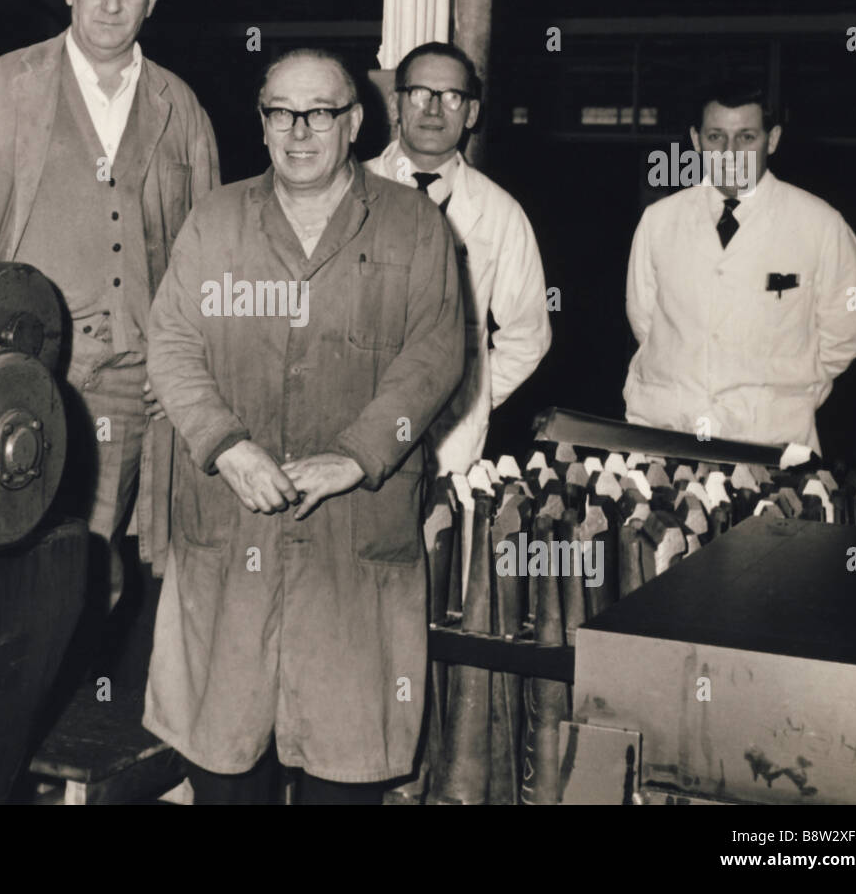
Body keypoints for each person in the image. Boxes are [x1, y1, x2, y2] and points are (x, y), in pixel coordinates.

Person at [143, 48, 463, 804]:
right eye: (280, 112)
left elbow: (438, 355)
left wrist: (360, 454)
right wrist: (223, 442)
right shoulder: (216, 219)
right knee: (225, 763)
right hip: (231, 527)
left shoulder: (414, 226)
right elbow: (172, 343)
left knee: (344, 769)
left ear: (353, 122)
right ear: (260, 123)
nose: (299, 130)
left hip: (353, 537)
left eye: (319, 112)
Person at [0, 0, 219, 628]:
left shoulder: (180, 108)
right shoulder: (4, 88)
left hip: (126, 374)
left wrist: (179, 361)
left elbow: (210, 254)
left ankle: (64, 700)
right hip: (18, 366)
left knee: (92, 562)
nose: (111, 4)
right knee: (5, 548)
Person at [624, 81, 856, 453]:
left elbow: (848, 330)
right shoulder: (659, 221)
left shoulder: (821, 225)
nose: (730, 153)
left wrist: (786, 389)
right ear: (696, 141)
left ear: (771, 140)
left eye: (746, 137)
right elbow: (645, 321)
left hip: (771, 438)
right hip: (665, 431)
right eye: (716, 137)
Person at [365, 41, 550, 473]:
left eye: (451, 97)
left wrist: (470, 397)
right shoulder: (350, 190)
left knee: (442, 537)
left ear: (471, 113)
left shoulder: (501, 212)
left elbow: (528, 334)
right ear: (396, 104)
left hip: (450, 441)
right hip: (355, 423)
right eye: (419, 93)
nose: (433, 109)